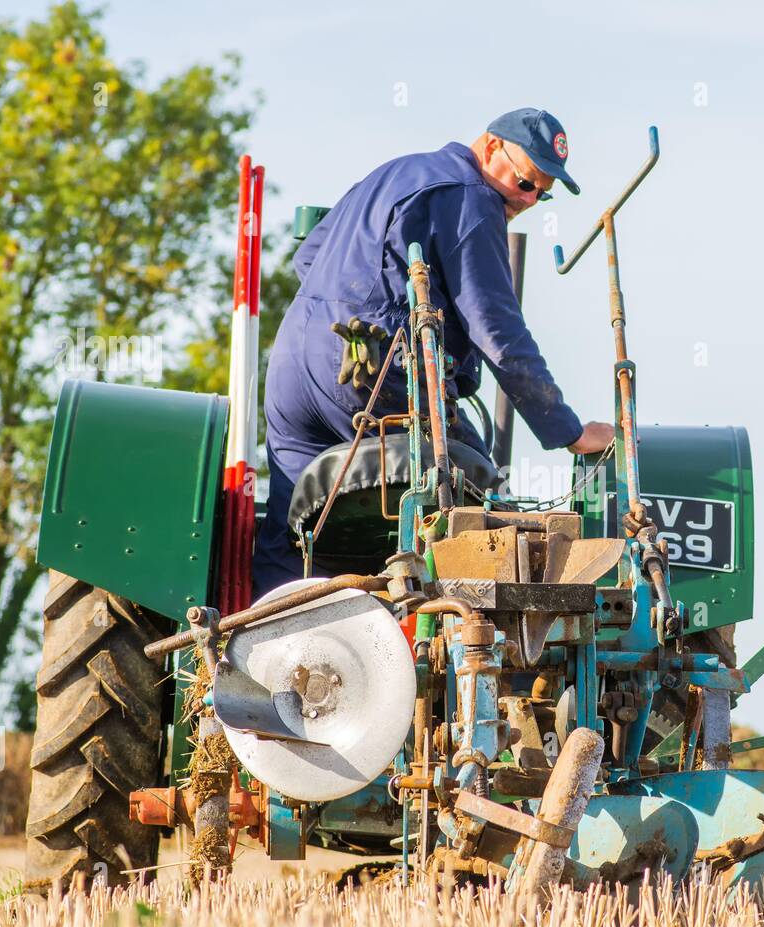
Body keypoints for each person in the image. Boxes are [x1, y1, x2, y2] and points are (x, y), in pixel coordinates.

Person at [253, 108, 614, 593]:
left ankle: (264, 653)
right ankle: (488, 653)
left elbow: (308, 257)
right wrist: (567, 430)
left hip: (294, 362)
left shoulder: (396, 171)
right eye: (526, 180)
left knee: (293, 534)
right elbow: (498, 331)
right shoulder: (474, 197)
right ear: (489, 147)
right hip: (368, 368)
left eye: (541, 193)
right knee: (479, 502)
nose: (527, 199)